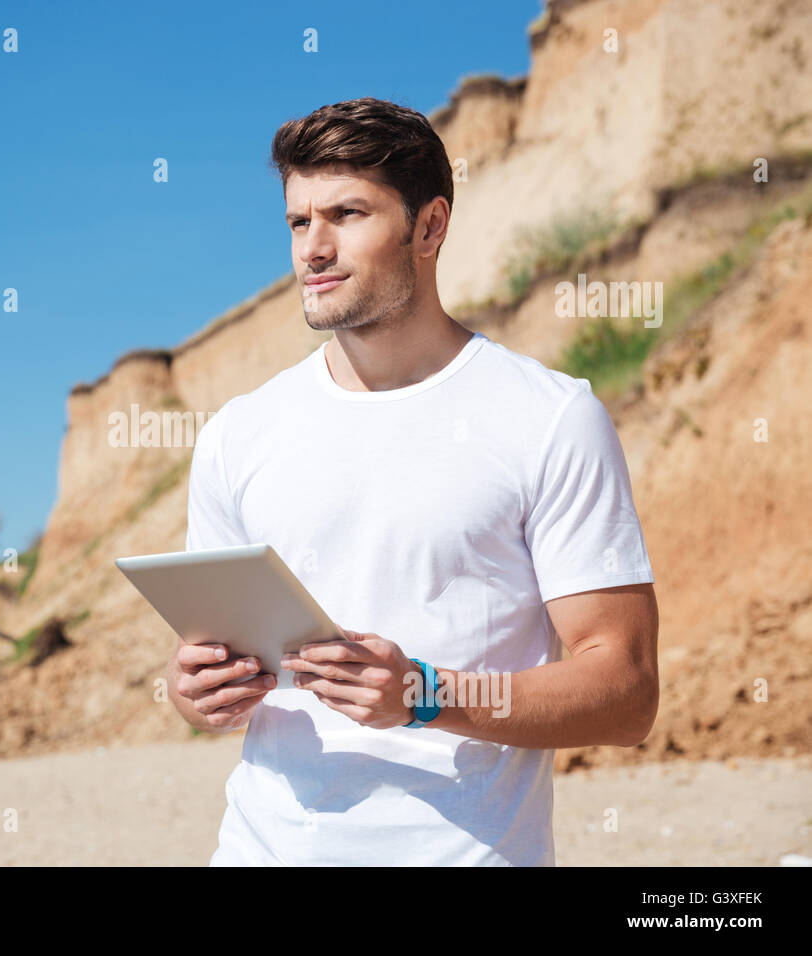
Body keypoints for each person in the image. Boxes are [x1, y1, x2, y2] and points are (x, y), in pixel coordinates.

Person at [164, 97, 659, 866]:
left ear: (430, 226)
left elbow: (626, 692)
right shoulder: (238, 433)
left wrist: (426, 696)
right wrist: (199, 693)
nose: (313, 250)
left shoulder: (550, 417)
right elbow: (214, 677)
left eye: (347, 214)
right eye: (299, 222)